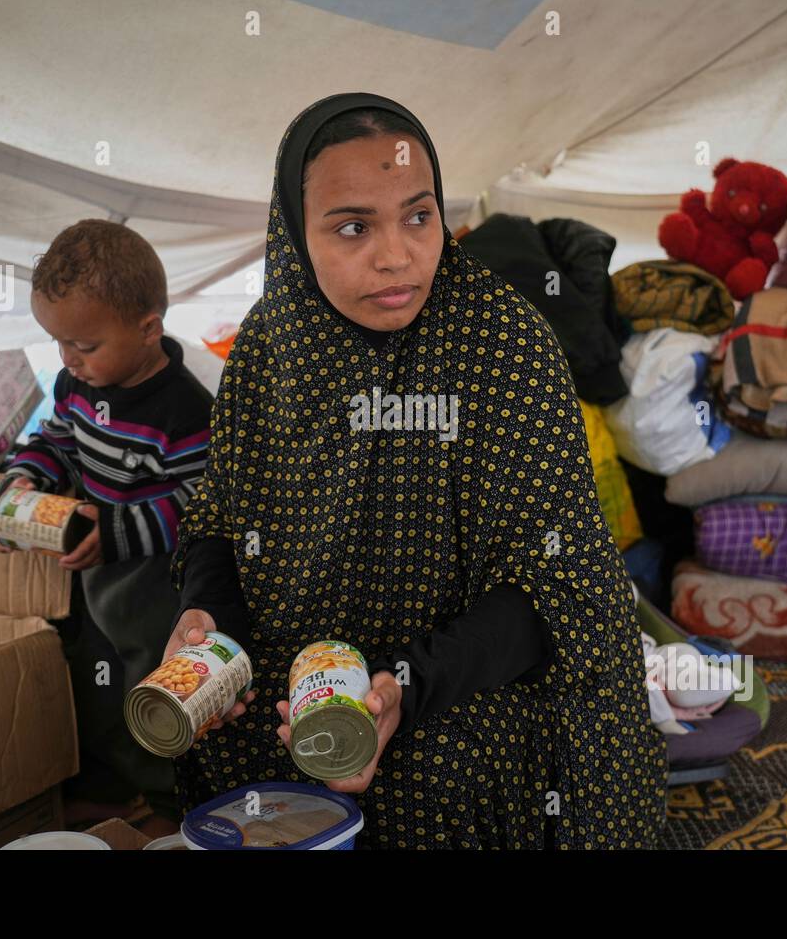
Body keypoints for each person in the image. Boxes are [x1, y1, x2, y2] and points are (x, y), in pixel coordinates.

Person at [166, 93, 666, 848]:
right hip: (303, 663)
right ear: (293, 236)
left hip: (470, 672)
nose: (397, 255)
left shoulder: (504, 343)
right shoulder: (270, 346)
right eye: (353, 226)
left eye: (419, 215)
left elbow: (556, 586)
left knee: (434, 777)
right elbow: (221, 519)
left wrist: (407, 683)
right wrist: (213, 628)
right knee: (228, 737)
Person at [0, 219, 227, 812]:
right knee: (98, 676)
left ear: (148, 328)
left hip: (157, 586)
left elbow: (203, 502)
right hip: (98, 575)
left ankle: (175, 794)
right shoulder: (75, 384)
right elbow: (58, 438)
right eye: (59, 344)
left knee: (156, 684)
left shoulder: (185, 411)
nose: (69, 359)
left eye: (85, 346)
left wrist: (116, 532)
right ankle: (117, 782)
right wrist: (25, 480)